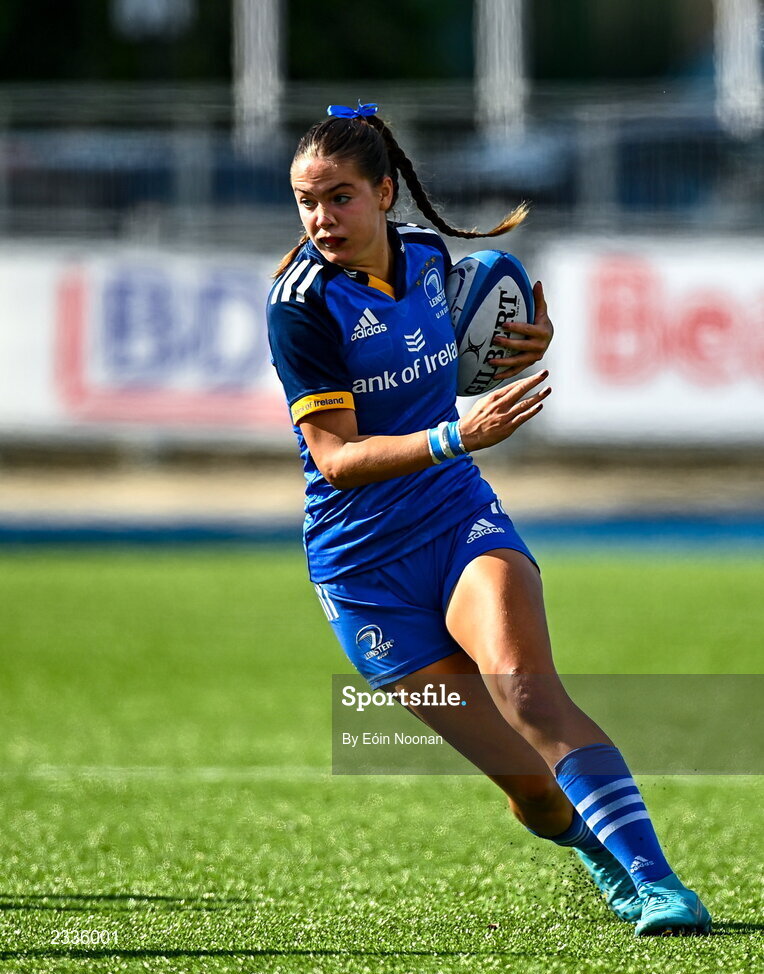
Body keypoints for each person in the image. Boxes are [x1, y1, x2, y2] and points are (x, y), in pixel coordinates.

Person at [266, 101, 711, 937]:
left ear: (386, 192)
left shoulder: (431, 259)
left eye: (340, 197)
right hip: (362, 571)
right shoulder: (300, 304)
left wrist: (518, 345)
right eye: (306, 200)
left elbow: (449, 363)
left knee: (532, 698)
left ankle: (661, 884)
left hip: (459, 516)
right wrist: (455, 433)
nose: (321, 218)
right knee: (532, 793)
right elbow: (336, 457)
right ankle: (591, 849)